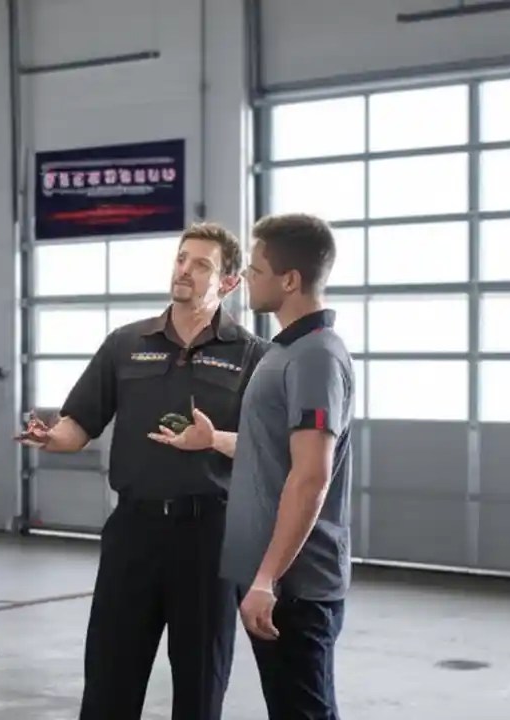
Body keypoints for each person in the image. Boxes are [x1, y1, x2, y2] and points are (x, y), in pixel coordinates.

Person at [16, 222, 269, 720]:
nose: (185, 270)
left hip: (209, 538)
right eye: (181, 258)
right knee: (109, 678)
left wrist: (213, 440)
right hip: (134, 531)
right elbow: (79, 424)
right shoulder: (126, 344)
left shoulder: (252, 355)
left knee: (201, 684)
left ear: (229, 282)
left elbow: (268, 450)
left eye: (201, 265)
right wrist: (52, 437)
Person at [173, 212, 353, 719]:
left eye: (254, 270)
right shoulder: (286, 351)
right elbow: (277, 451)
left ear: (289, 280)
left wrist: (266, 580)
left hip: (294, 586)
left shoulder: (315, 357)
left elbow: (311, 477)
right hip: (274, 581)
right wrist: (215, 440)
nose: (247, 279)